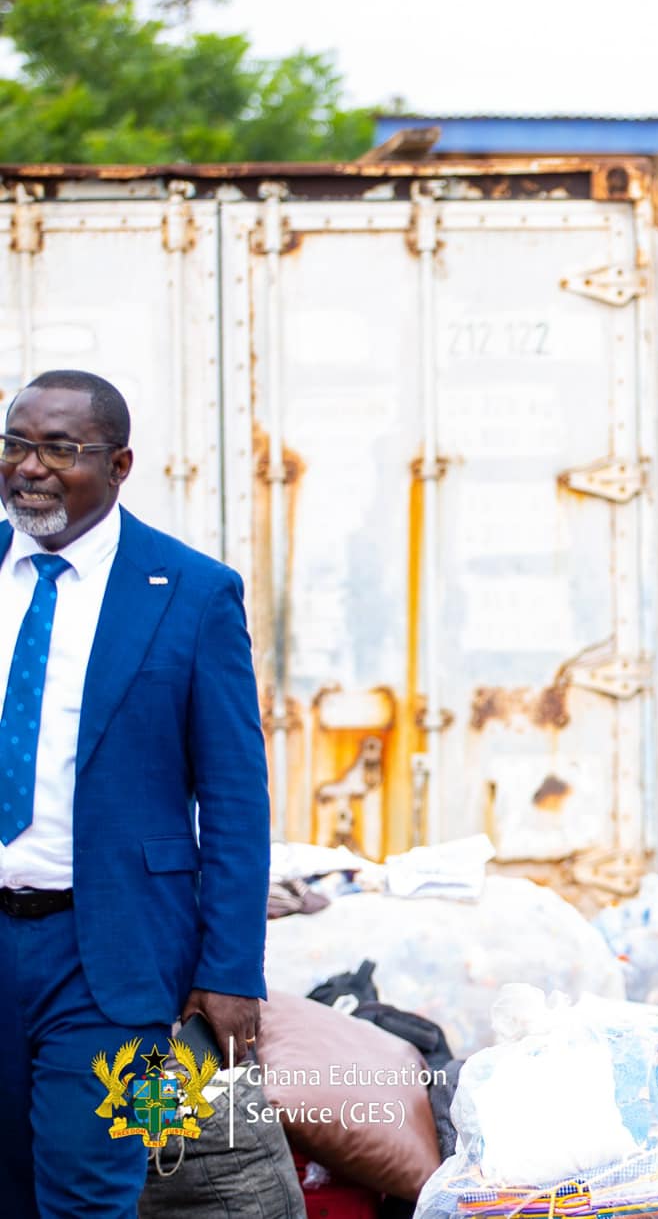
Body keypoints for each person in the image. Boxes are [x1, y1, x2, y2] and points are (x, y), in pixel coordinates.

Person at [0, 370, 269, 1217]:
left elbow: (235, 799)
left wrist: (232, 969)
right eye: (15, 444)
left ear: (118, 465)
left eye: (59, 450)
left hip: (118, 963)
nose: (29, 468)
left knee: (93, 1195)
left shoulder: (192, 592)